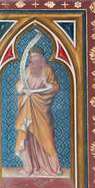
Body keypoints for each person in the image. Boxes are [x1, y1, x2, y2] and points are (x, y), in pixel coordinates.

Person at [14, 47, 61, 177]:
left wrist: (43, 90)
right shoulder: (28, 71)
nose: (33, 63)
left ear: (41, 59)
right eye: (31, 60)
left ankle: (51, 167)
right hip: (28, 109)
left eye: (36, 59)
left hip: (41, 111)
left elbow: (55, 87)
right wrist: (24, 91)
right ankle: (29, 167)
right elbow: (19, 86)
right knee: (28, 138)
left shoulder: (48, 70)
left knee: (46, 138)